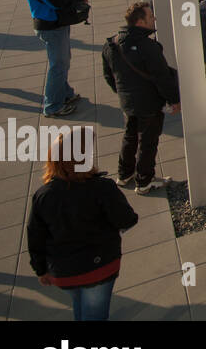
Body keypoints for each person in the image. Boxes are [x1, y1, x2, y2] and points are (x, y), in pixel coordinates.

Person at [26, 129, 139, 321]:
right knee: (95, 313)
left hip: (63, 272)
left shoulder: (43, 195)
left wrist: (40, 269)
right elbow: (126, 219)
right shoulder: (102, 188)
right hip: (100, 265)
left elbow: (35, 236)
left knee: (80, 303)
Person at [102, 2, 181, 193]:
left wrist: (123, 93)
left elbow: (108, 75)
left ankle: (124, 173)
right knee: (148, 141)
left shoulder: (111, 44)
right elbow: (162, 76)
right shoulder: (148, 46)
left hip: (128, 102)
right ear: (140, 21)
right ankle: (144, 180)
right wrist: (174, 100)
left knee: (130, 136)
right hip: (149, 102)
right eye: (150, 16)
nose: (154, 19)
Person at [21, 0, 80, 117]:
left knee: (63, 61)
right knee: (59, 65)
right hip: (51, 26)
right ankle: (53, 105)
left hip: (51, 24)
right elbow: (56, 3)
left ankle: (65, 94)